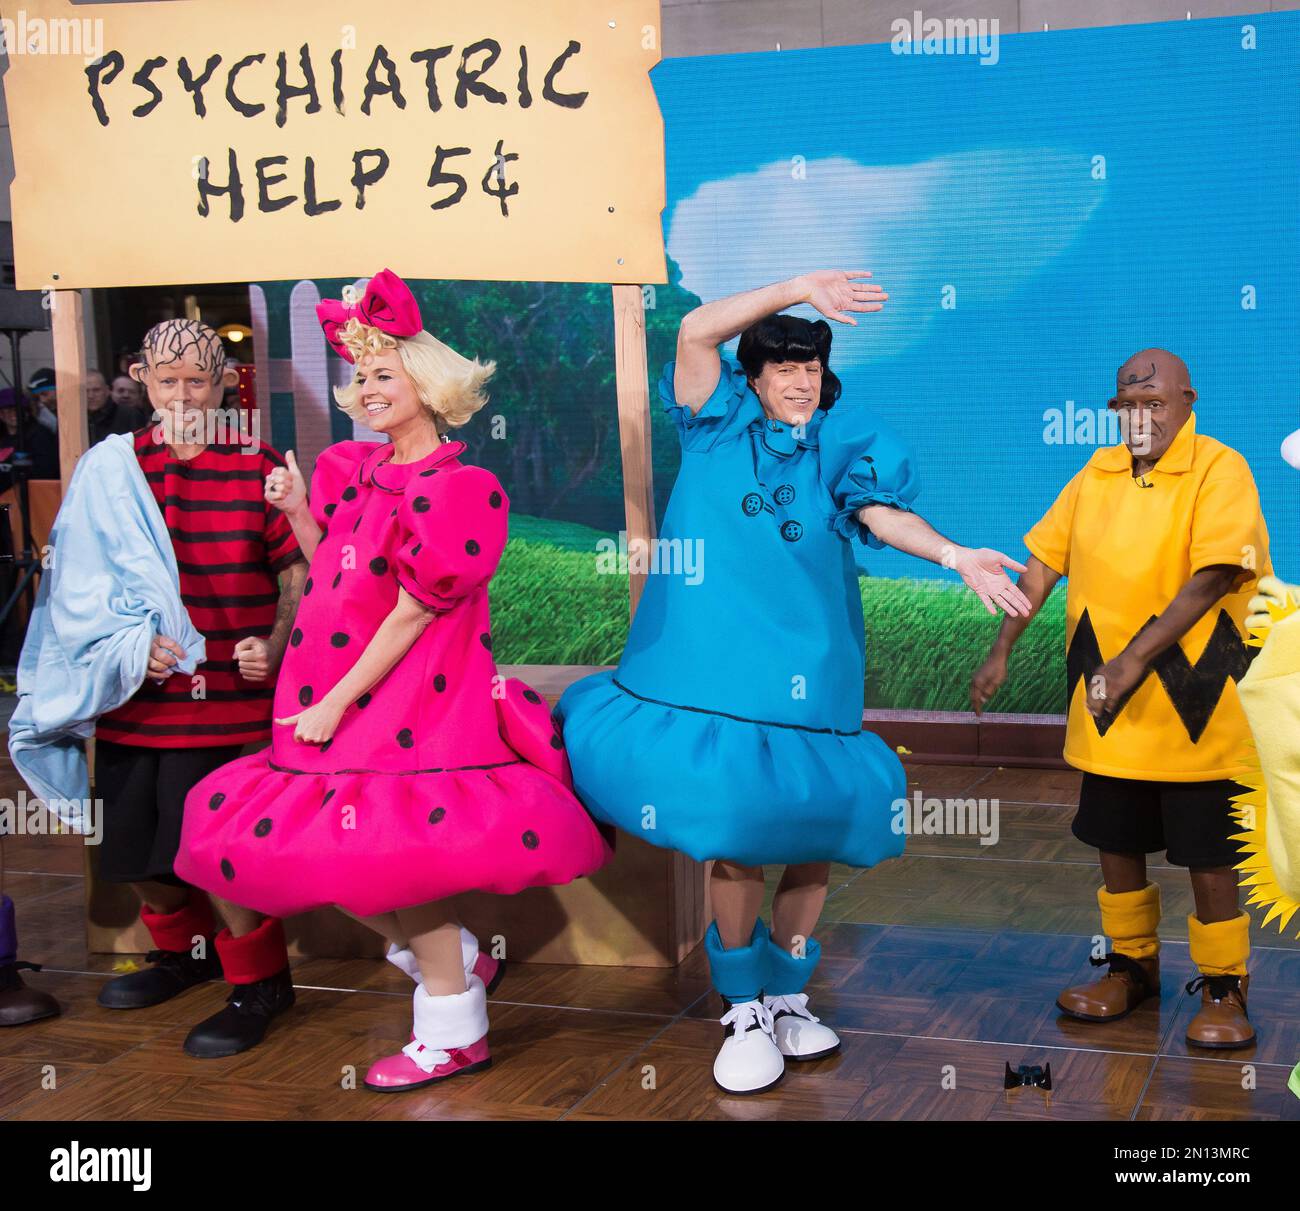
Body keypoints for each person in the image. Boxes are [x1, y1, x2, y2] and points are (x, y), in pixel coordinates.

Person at [558, 269, 1031, 1095]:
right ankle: (741, 1007)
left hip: (814, 673)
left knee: (815, 836)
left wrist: (953, 554)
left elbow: (883, 515)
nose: (800, 380)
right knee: (739, 833)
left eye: (811, 367)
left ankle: (785, 994)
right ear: (754, 376)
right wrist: (801, 288)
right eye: (783, 366)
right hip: (717, 676)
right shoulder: (713, 425)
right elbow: (697, 330)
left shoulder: (844, 443)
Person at [175, 270, 611, 1090]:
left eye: (384, 373)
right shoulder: (358, 472)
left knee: (392, 855)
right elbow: (342, 575)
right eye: (362, 375)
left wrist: (338, 701)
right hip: (329, 694)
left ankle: (453, 1028)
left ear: (427, 382)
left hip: (410, 703)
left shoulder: (458, 489)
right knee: (329, 852)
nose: (367, 388)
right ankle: (456, 966)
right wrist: (301, 511)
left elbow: (410, 613)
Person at [971, 348, 1268, 1049]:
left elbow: (1218, 573)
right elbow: (1044, 562)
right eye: (1127, 406)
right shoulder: (1094, 475)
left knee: (1209, 851)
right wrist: (1003, 646)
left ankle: (1225, 983)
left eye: (1154, 404)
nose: (1140, 419)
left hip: (1196, 706)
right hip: (1111, 709)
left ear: (1187, 401)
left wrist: (1134, 658)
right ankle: (1131, 964)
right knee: (1114, 840)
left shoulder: (1220, 469)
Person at [92, 318, 309, 1059]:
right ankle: (181, 956)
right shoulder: (114, 466)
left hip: (223, 703)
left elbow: (297, 568)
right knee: (131, 852)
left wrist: (275, 646)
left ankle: (261, 981)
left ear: (223, 383)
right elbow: (84, 579)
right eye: (167, 380)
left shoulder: (256, 464)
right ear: (144, 381)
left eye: (197, 379)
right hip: (129, 694)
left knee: (213, 850)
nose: (182, 393)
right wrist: (121, 645)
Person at [87, 369, 147, 445]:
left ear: (107, 391)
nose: (91, 396)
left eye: (96, 390)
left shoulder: (129, 415)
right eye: (86, 391)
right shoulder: (76, 419)